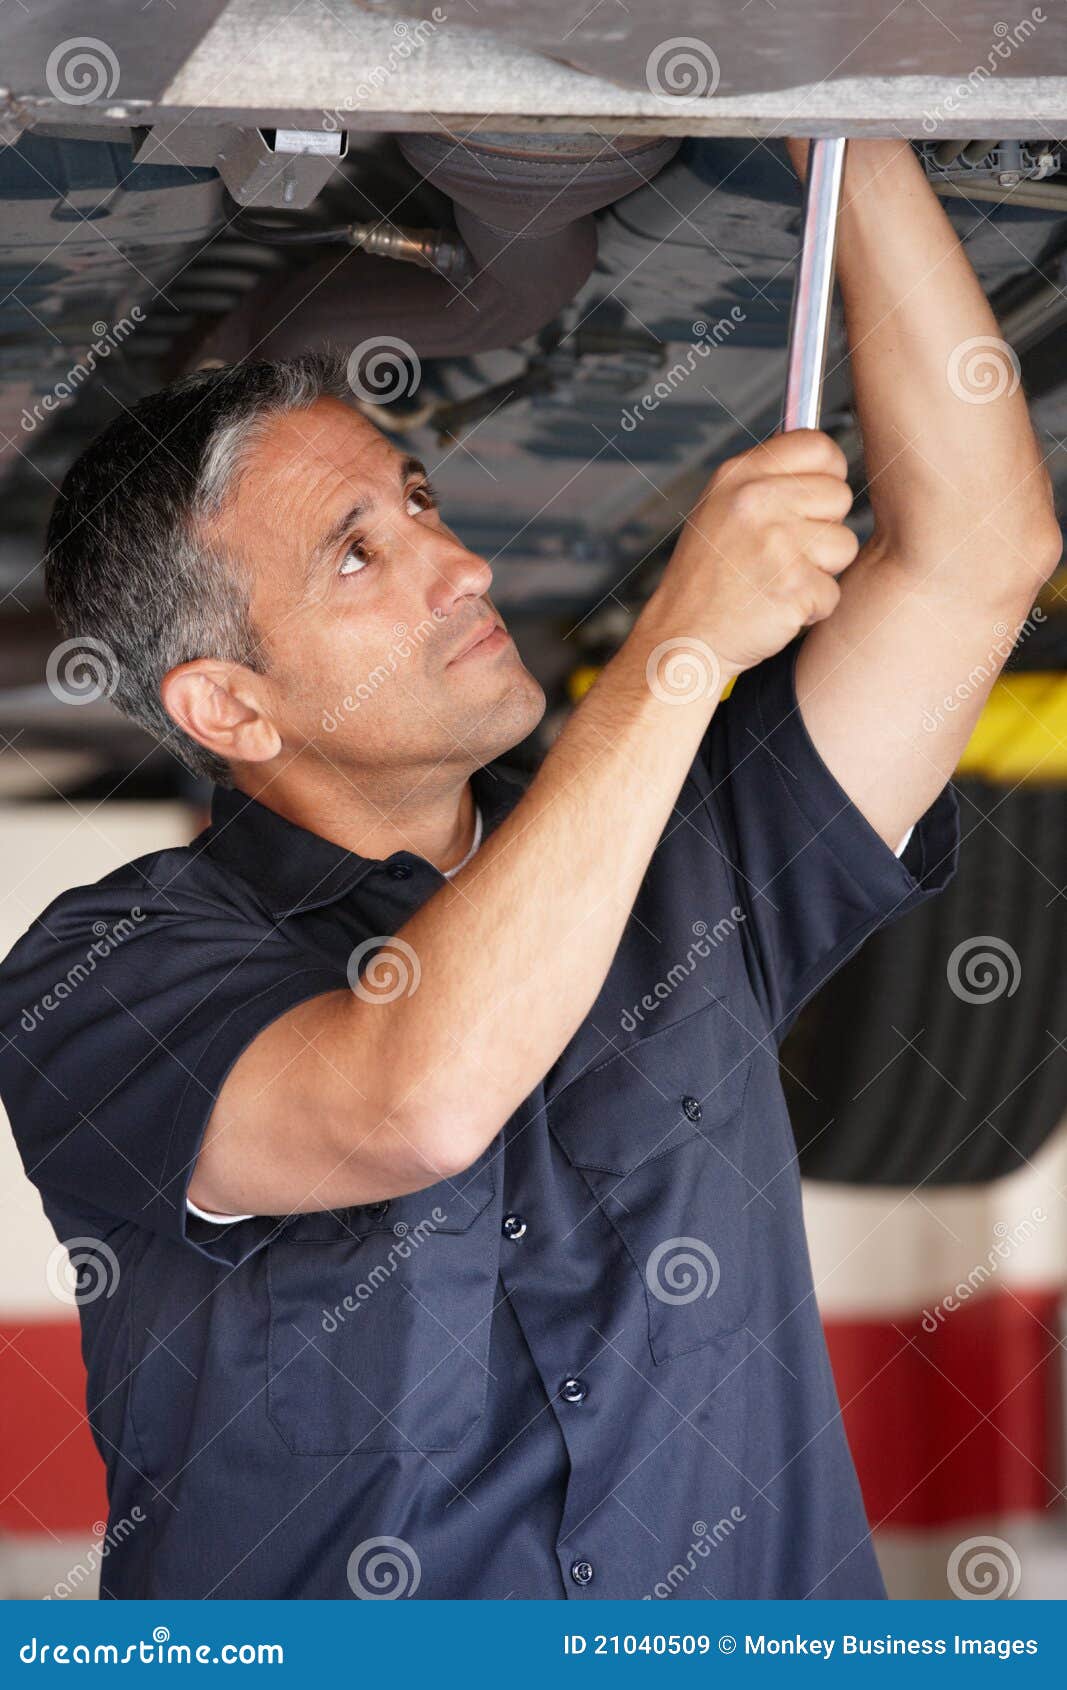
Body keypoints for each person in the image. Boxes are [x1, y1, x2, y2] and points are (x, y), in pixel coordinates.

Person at [0, 140, 1058, 1599]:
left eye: (421, 501)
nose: (463, 564)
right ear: (228, 707)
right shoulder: (101, 978)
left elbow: (978, 558)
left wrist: (847, 113)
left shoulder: (686, 844)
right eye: (357, 554)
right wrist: (676, 648)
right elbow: (416, 1099)